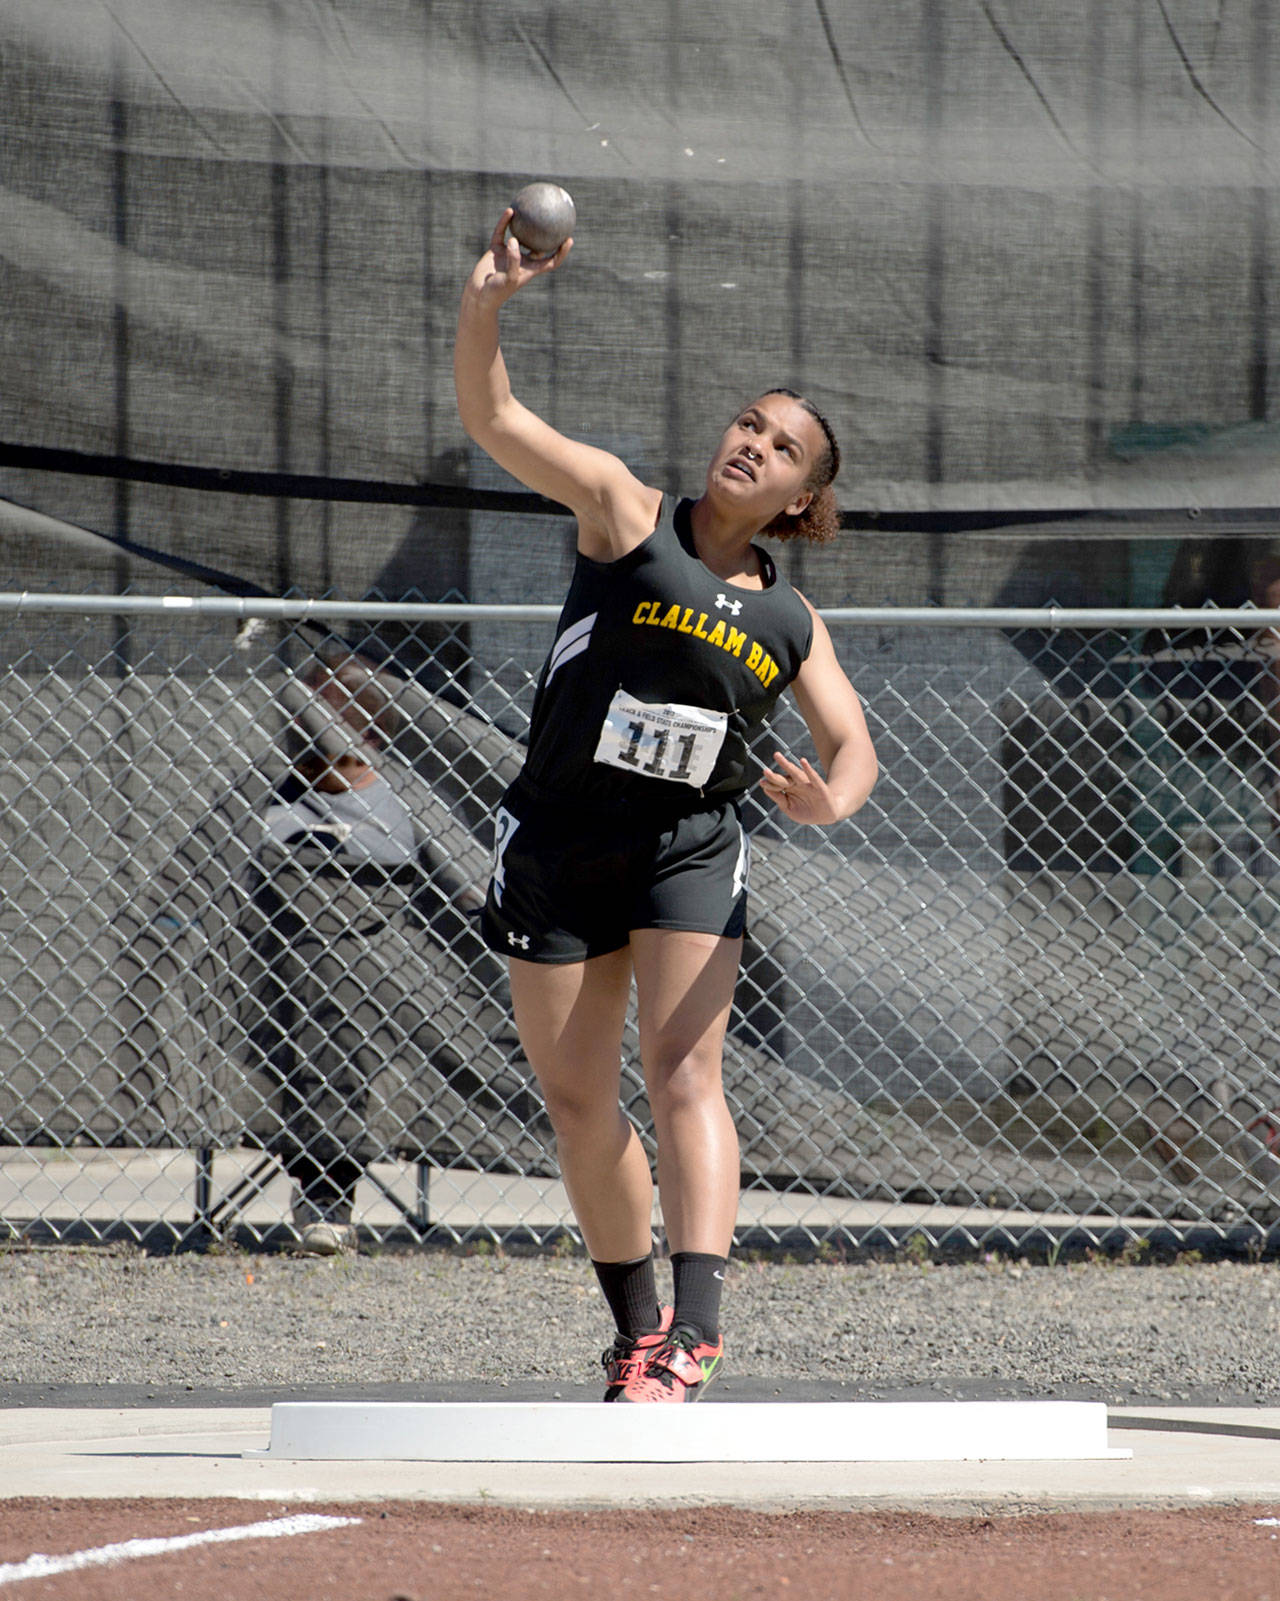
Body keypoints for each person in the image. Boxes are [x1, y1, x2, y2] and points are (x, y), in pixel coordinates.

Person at [453, 211, 879, 1402]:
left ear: (800, 497)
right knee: (577, 1094)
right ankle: (635, 1326)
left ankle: (695, 1329)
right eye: (747, 421)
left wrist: (826, 803)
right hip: (555, 839)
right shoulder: (624, 515)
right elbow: (495, 421)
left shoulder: (789, 622)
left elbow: (851, 748)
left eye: (781, 445)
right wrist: (488, 302)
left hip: (688, 849)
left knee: (684, 1071)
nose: (752, 443)